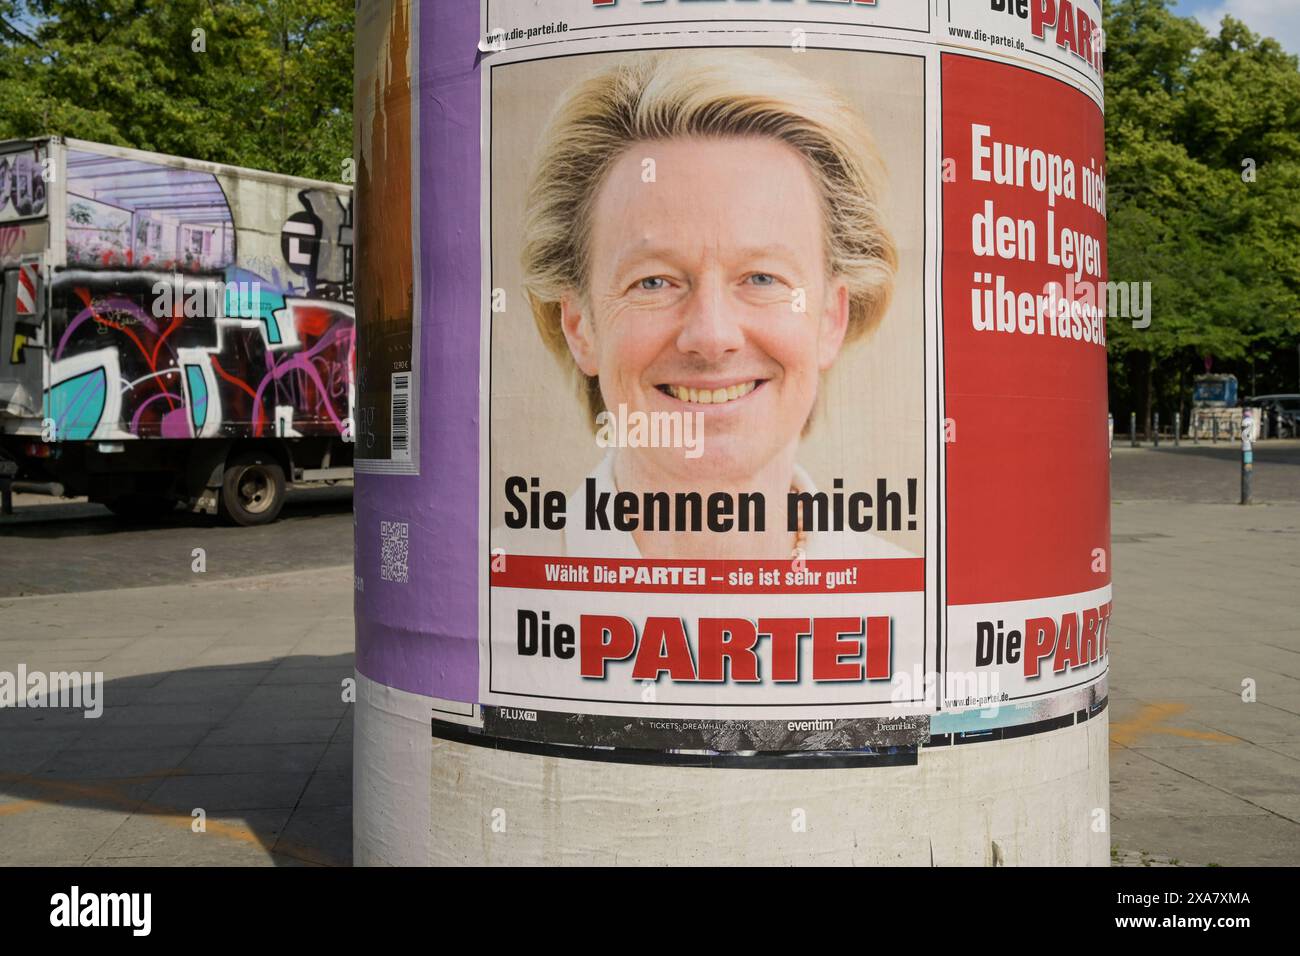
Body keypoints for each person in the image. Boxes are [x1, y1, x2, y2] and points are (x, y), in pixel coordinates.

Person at [510, 50, 911, 561]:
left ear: (832, 318)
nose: (711, 335)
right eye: (653, 281)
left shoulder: (899, 584)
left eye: (762, 277)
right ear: (579, 325)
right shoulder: (484, 581)